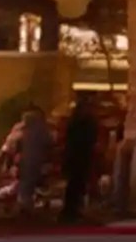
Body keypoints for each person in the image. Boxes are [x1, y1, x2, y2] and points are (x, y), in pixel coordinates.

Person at [60, 94, 99, 223]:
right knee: (76, 184)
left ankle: (72, 210)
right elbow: (88, 139)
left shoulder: (75, 122)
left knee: (75, 185)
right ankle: (72, 211)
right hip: (80, 157)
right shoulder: (84, 123)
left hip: (76, 157)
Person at [16, 106, 53, 214]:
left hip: (27, 159)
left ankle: (25, 204)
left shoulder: (25, 131)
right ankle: (27, 204)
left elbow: (19, 144)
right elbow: (49, 143)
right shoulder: (43, 130)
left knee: (26, 183)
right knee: (31, 182)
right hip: (38, 160)